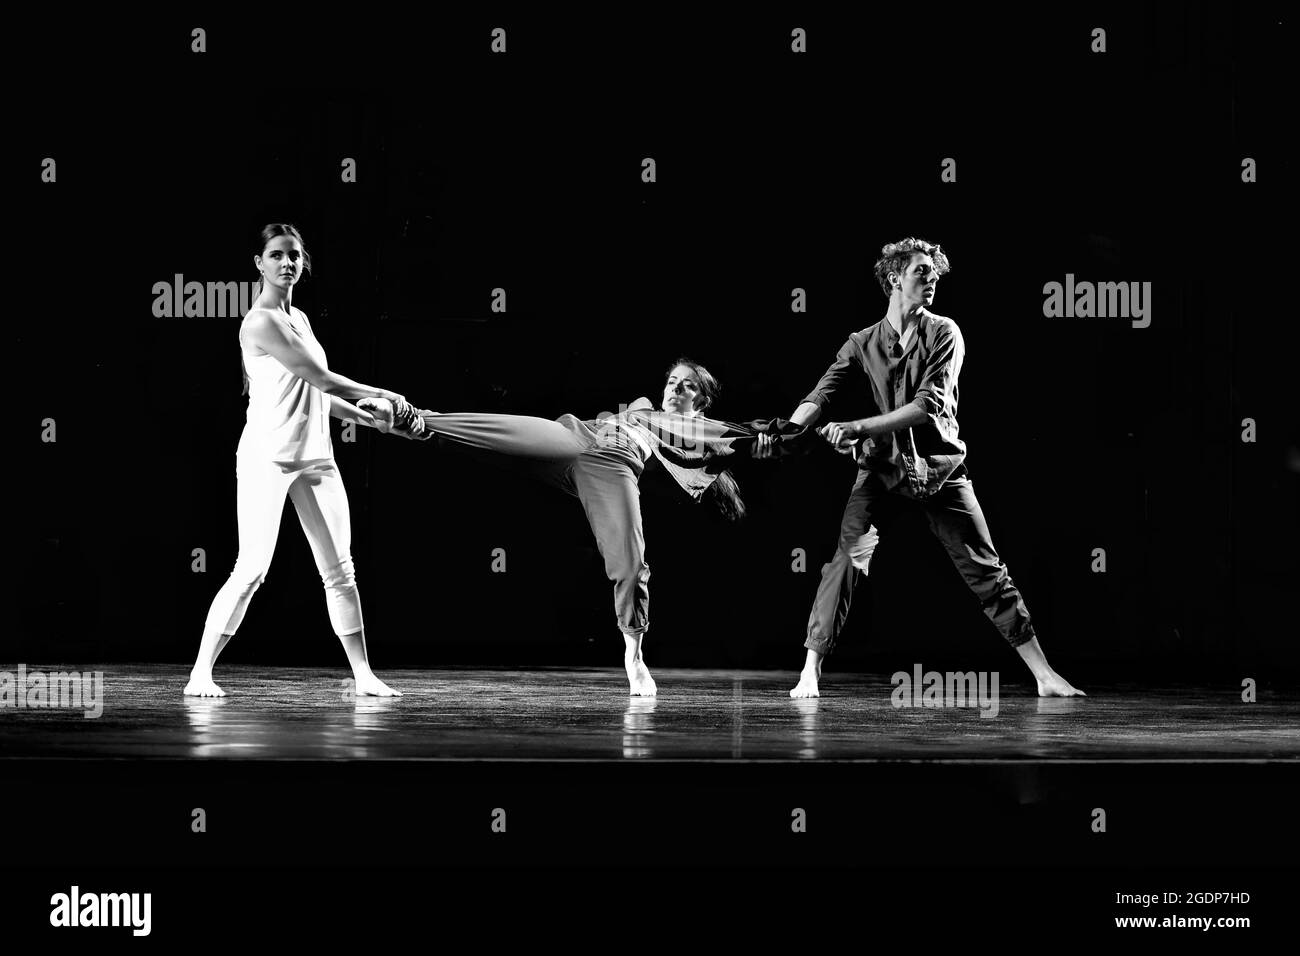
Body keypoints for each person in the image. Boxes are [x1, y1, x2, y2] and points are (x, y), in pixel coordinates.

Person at [759, 237, 1085, 699]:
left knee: (986, 570)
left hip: (940, 472)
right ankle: (809, 669)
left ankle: (1044, 674)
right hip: (881, 473)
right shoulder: (862, 342)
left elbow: (928, 406)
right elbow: (820, 396)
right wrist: (786, 434)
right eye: (921, 271)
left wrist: (857, 427)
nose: (932, 279)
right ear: (895, 279)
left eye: (933, 273)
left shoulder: (945, 332)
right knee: (846, 561)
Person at [364, 359, 806, 696]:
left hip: (613, 468)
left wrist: (779, 439)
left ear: (701, 400)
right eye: (673, 381)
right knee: (503, 435)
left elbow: (748, 435)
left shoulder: (702, 431)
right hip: (579, 437)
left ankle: (633, 650)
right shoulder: (642, 409)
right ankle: (410, 418)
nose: (677, 388)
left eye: (688, 385)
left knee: (631, 564)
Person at [184, 223, 423, 698]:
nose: (287, 263)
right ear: (260, 263)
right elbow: (322, 375)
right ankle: (200, 673)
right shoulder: (259, 322)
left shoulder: (303, 320)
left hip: (315, 458)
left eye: (294, 255)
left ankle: (363, 675)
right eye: (276, 255)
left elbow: (317, 389)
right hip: (267, 459)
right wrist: (384, 395)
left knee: (340, 570)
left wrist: (370, 416)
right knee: (250, 569)